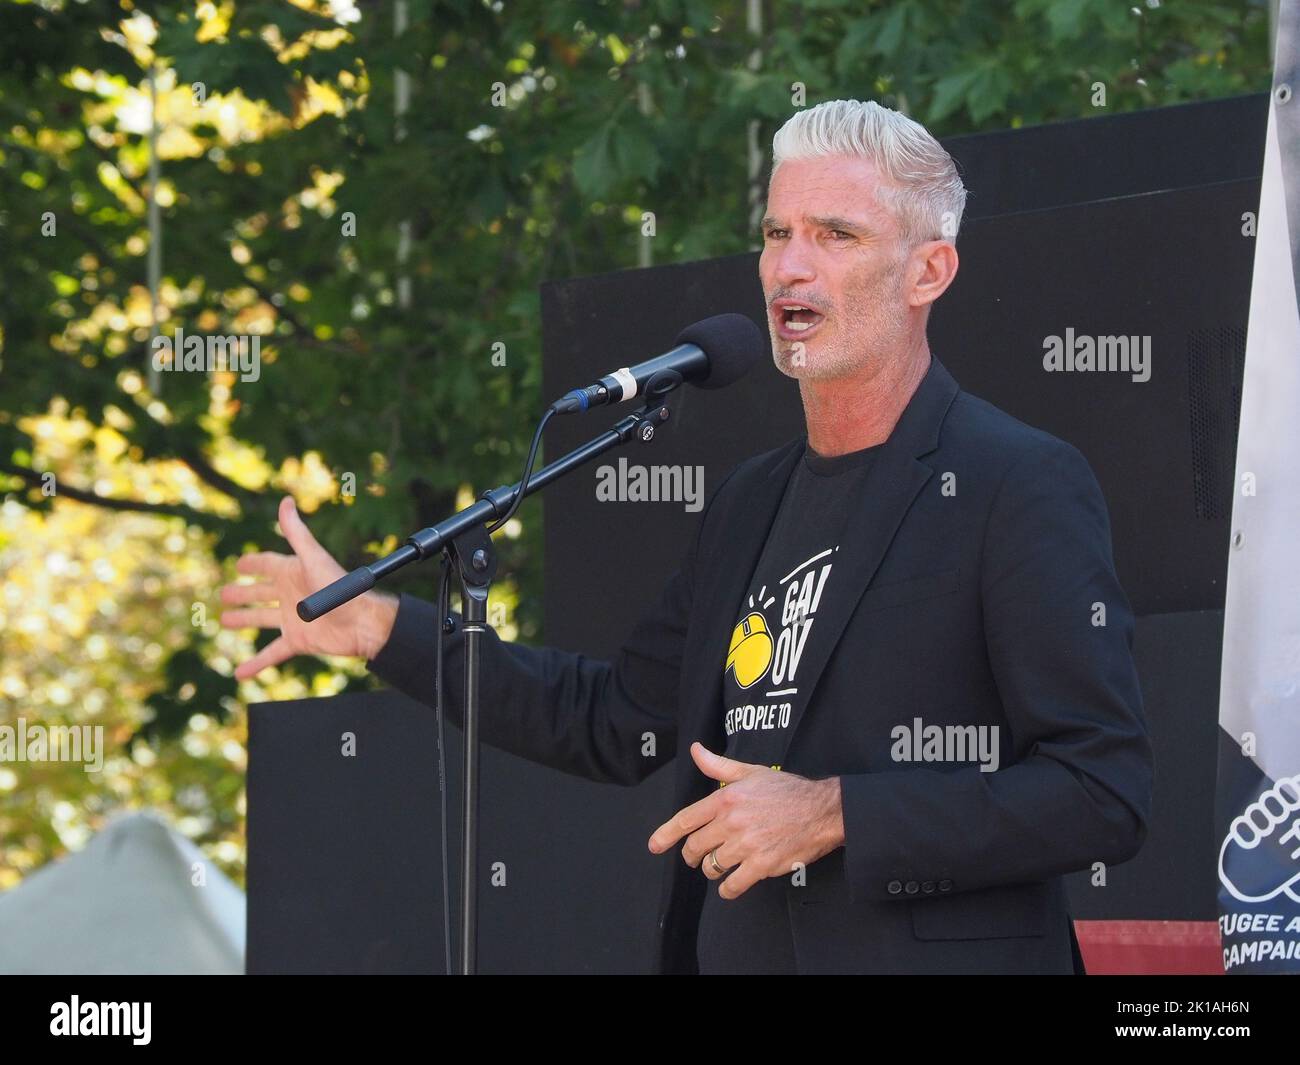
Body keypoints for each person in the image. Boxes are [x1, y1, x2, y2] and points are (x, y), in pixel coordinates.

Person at [220, 99, 1154, 974]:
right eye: (778, 233)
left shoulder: (1014, 481)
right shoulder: (753, 502)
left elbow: (1100, 790)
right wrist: (385, 629)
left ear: (928, 272)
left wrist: (837, 813)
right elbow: (612, 722)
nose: (792, 266)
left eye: (837, 236)